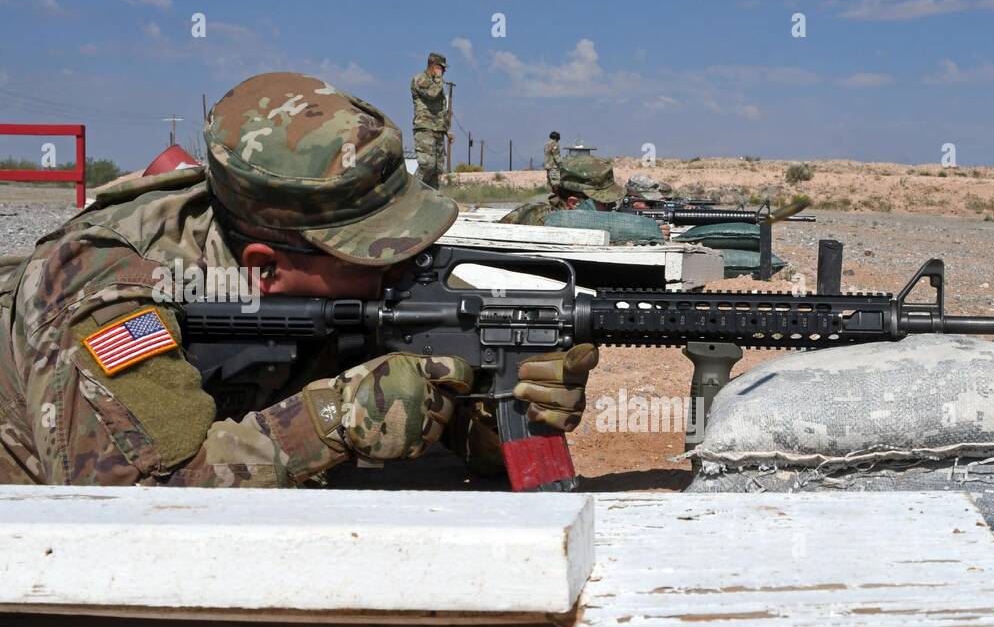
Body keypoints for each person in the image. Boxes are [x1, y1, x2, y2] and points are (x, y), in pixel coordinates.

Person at [0, 71, 596, 487]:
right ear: (264, 267)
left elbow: (428, 406)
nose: (402, 267)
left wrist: (495, 411)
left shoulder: (356, 281)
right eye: (374, 253)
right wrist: (336, 418)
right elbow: (132, 503)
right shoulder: (108, 288)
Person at [500, 156, 669, 238]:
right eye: (604, 203)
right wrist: (644, 231)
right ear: (574, 203)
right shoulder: (539, 214)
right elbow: (567, 225)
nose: (611, 207)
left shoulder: (564, 211)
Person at [411, 52, 454, 188]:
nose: (444, 71)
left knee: (436, 169)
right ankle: (410, 192)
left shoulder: (438, 83)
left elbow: (442, 109)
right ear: (434, 66)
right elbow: (432, 94)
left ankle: (431, 200)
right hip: (425, 128)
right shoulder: (420, 79)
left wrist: (448, 130)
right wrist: (438, 79)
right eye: (442, 67)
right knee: (426, 165)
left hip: (439, 130)